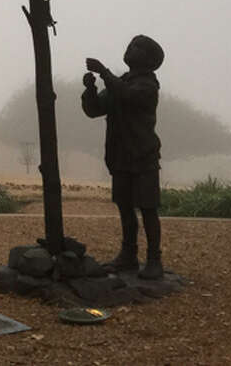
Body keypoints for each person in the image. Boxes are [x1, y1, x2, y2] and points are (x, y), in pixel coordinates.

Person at [81, 34, 165, 280]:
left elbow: (127, 95)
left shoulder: (147, 86)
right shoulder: (122, 82)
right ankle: (128, 255)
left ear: (150, 60)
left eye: (137, 47)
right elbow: (95, 110)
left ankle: (154, 260)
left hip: (143, 156)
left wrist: (104, 72)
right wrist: (90, 89)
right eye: (130, 44)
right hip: (120, 156)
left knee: (148, 209)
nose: (130, 48)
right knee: (125, 208)